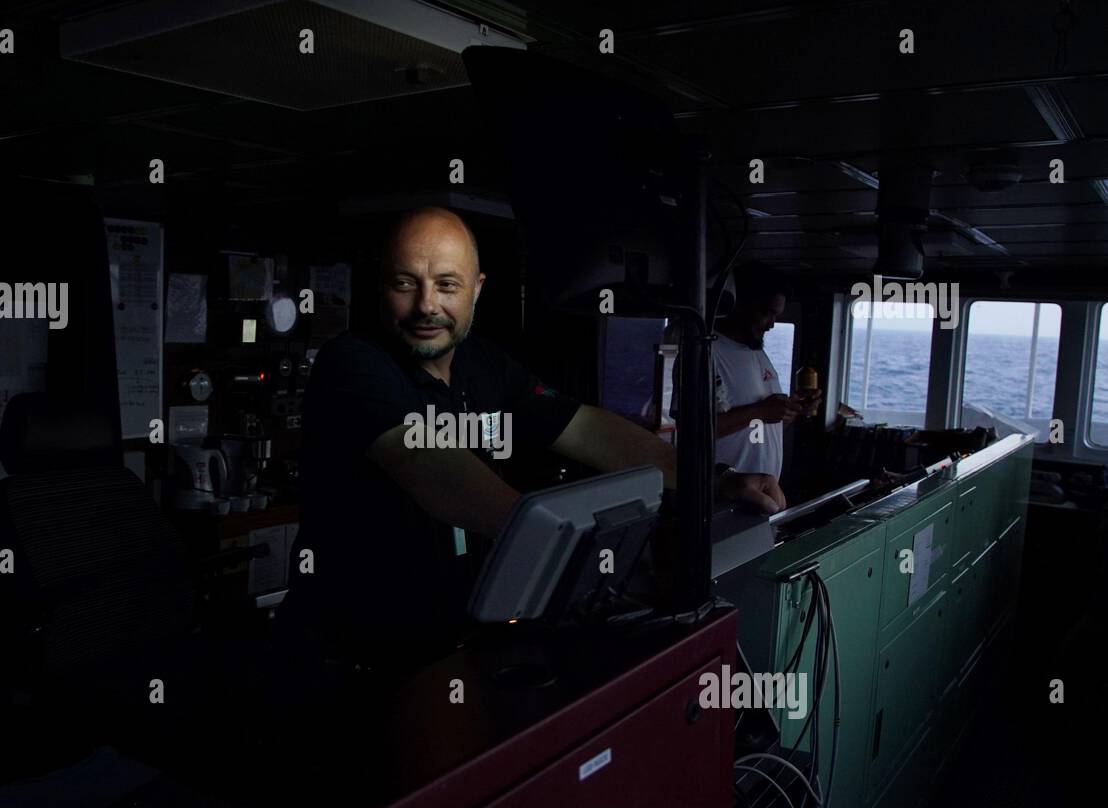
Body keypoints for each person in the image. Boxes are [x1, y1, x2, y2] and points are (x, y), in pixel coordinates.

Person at [278, 207, 784, 670]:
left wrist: (708, 481)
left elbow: (588, 428)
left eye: (447, 285)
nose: (426, 305)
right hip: (344, 660)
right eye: (405, 283)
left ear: (477, 288)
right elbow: (436, 471)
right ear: (381, 285)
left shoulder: (483, 366)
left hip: (446, 648)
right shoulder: (353, 365)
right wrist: (578, 555)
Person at [709, 265, 821, 480]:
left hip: (763, 494)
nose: (772, 324)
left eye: (776, 315)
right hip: (724, 495)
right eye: (766, 313)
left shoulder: (758, 353)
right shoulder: (708, 352)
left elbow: (760, 428)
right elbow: (692, 432)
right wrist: (761, 410)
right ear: (740, 305)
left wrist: (789, 410)